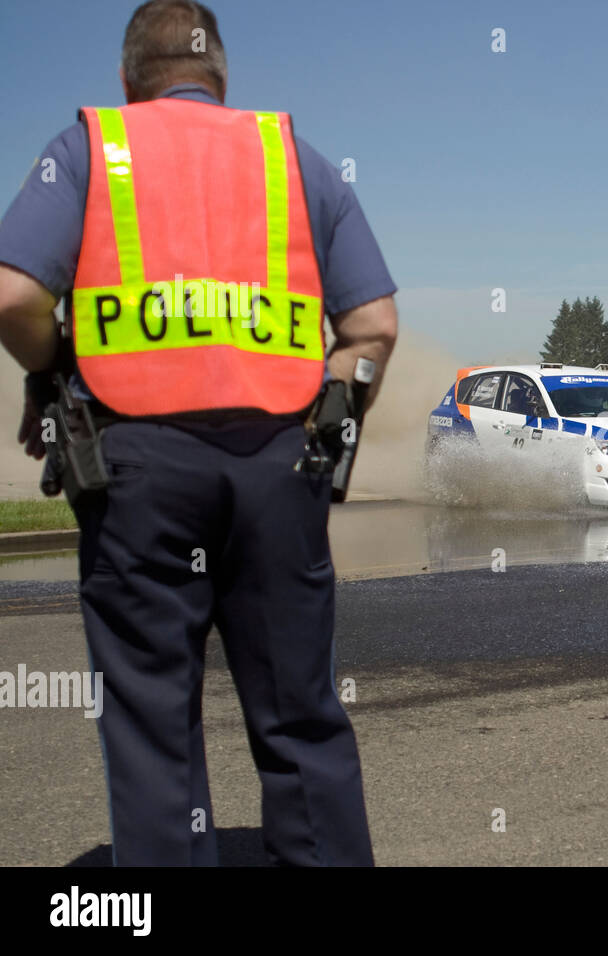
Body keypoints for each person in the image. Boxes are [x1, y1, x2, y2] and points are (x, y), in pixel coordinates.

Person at [0, 0, 398, 865]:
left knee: (153, 719)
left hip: (137, 472)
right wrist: (327, 430)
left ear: (125, 81)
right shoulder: (290, 156)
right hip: (279, 464)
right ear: (221, 77)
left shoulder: (88, 149)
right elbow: (374, 328)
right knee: (300, 708)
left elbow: (14, 295)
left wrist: (52, 374)